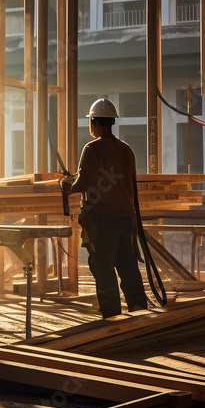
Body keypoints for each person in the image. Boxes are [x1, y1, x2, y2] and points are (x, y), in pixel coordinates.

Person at [63, 98, 147, 319]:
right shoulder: (126, 149)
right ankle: (139, 310)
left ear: (93, 122)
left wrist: (67, 186)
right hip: (126, 219)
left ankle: (112, 318)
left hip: (102, 221)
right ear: (112, 122)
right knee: (128, 265)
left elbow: (84, 181)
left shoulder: (92, 148)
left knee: (103, 267)